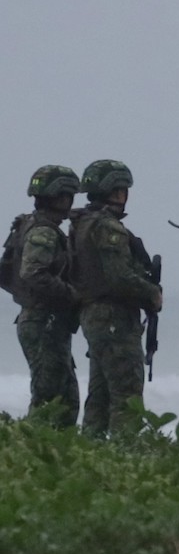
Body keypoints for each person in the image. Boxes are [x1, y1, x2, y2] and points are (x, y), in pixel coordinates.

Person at [69, 161, 162, 439]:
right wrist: (151, 293)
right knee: (127, 396)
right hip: (113, 319)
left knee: (99, 394)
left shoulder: (82, 224)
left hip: (94, 317)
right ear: (117, 192)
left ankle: (91, 454)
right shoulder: (107, 228)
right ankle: (126, 458)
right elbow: (119, 277)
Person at [6, 165, 82, 425]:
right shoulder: (43, 232)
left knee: (67, 399)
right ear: (60, 197)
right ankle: (29, 451)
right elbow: (33, 274)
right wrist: (71, 294)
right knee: (48, 397)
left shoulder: (29, 225)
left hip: (44, 320)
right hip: (42, 321)